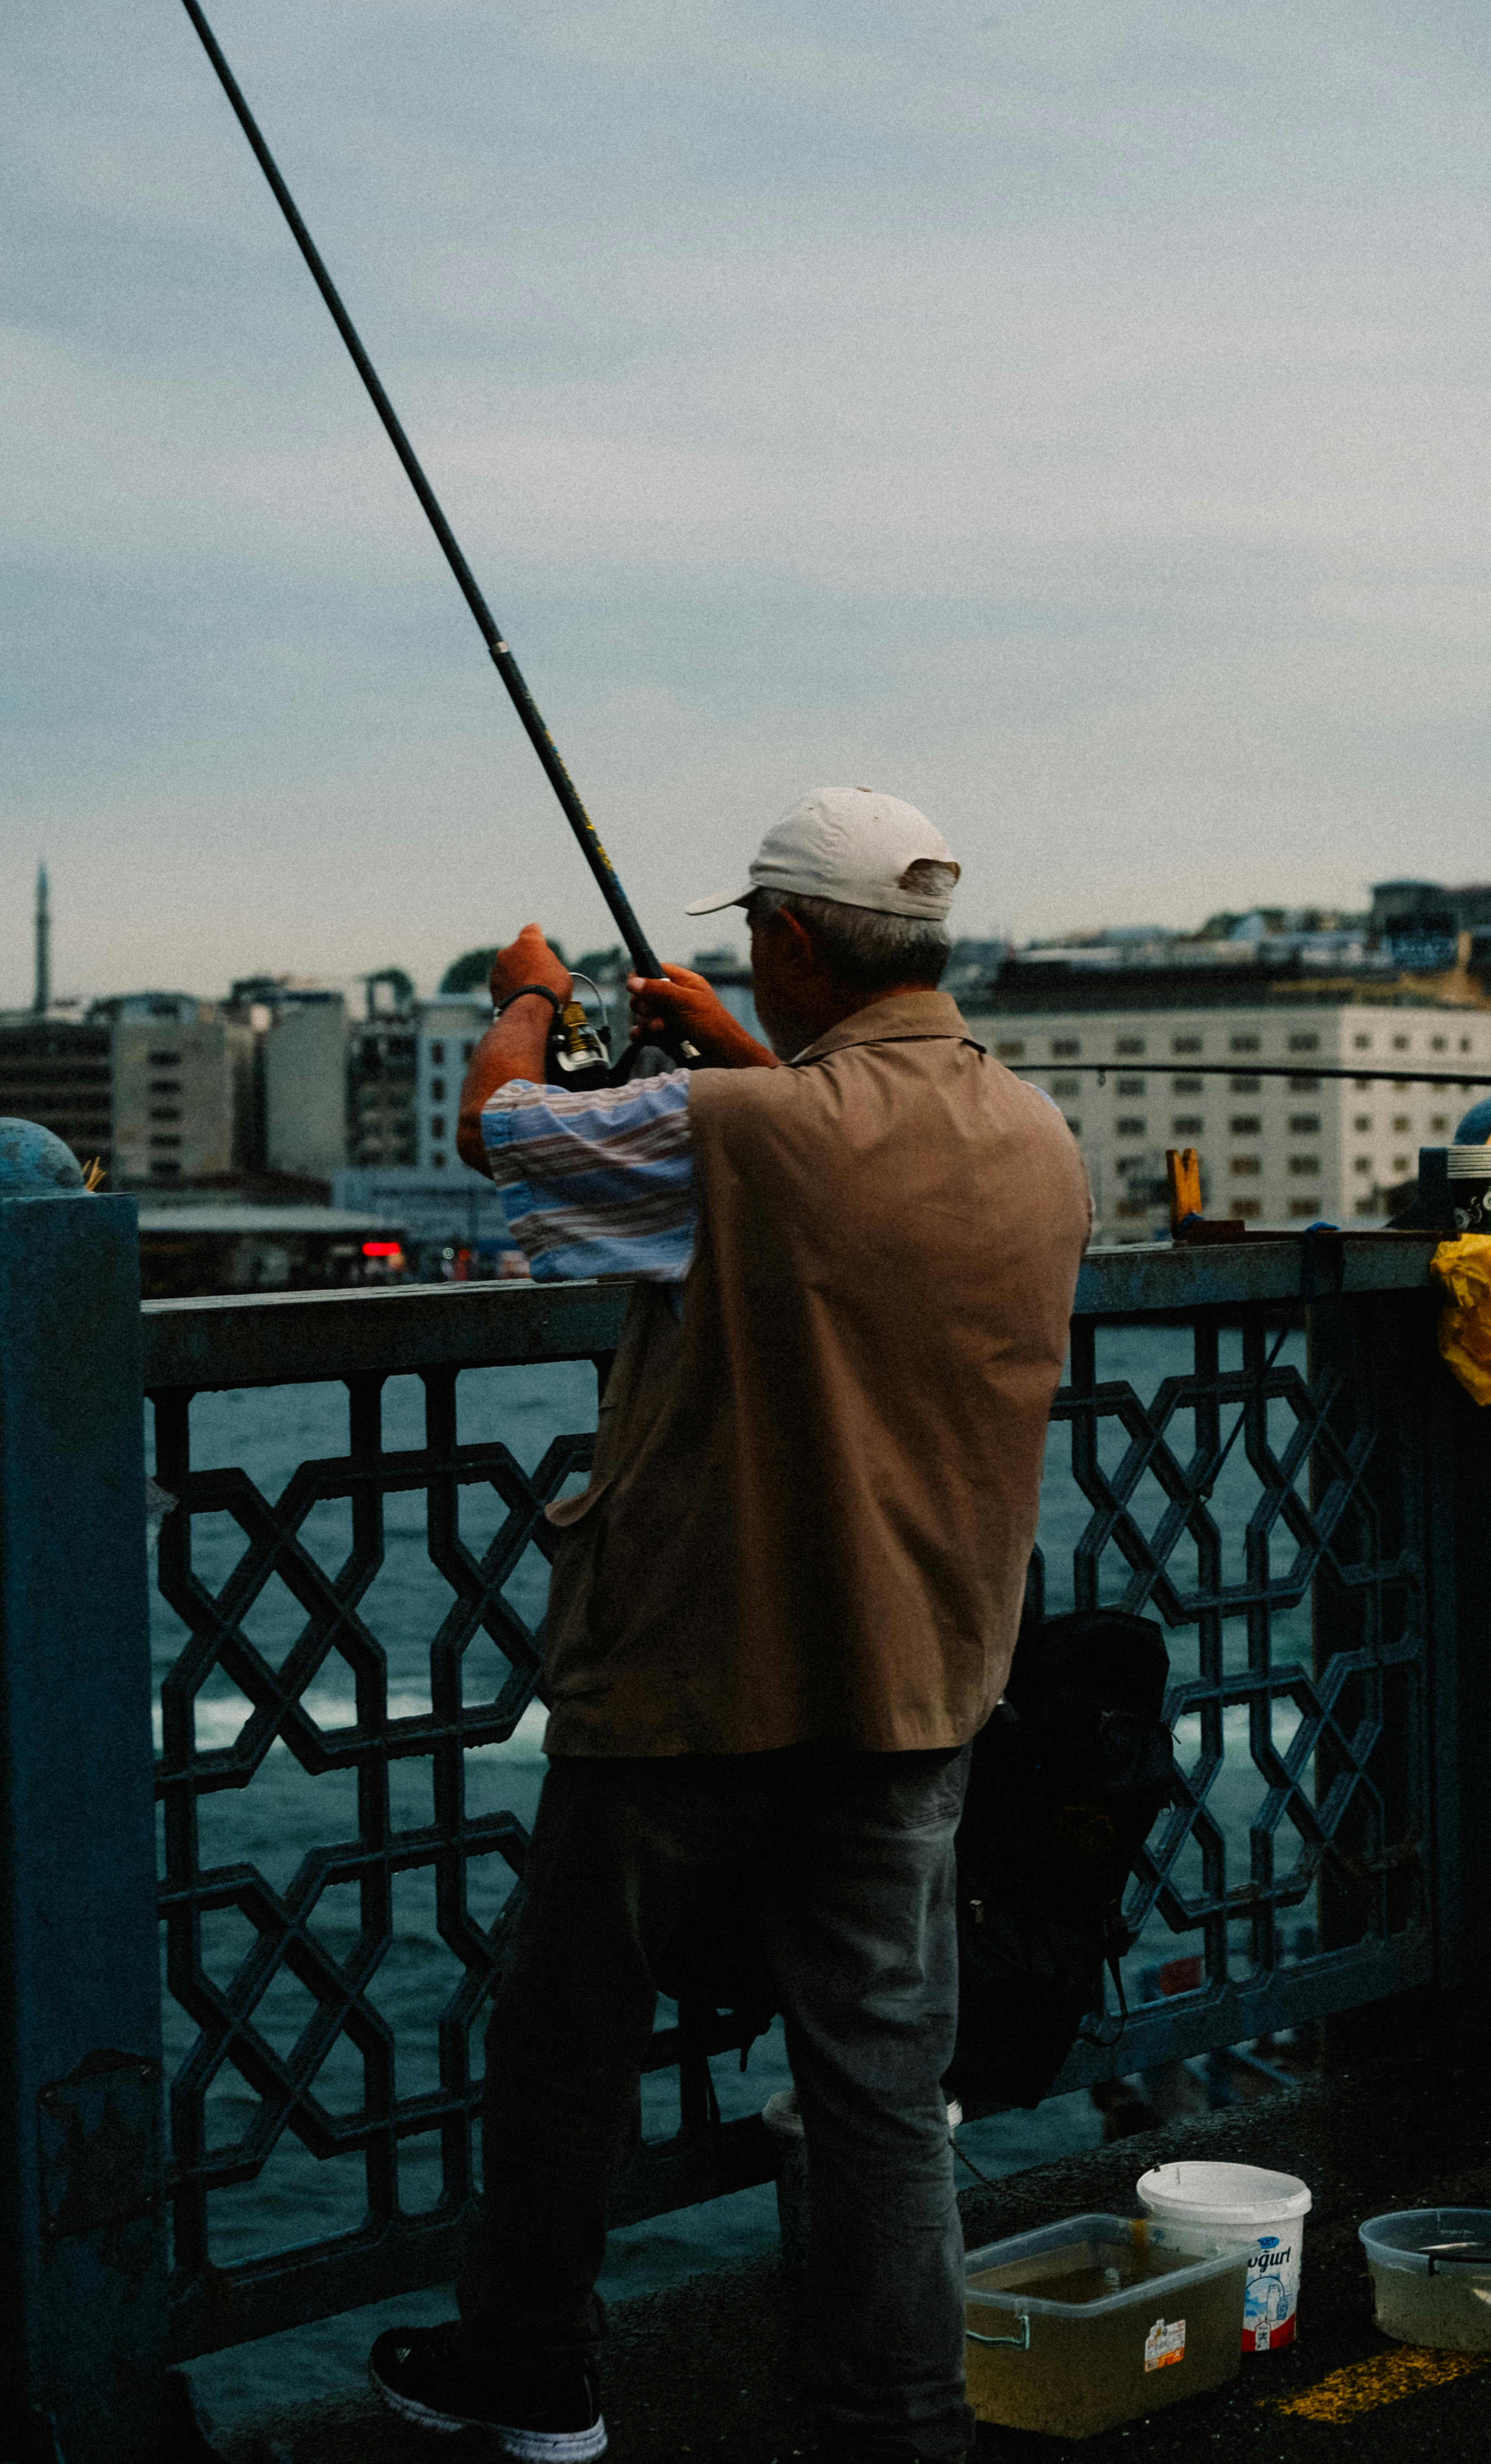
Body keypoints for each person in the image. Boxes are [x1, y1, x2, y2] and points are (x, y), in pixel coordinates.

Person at [369, 788, 1091, 2464]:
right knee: (881, 2089)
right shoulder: (1036, 1138)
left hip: (706, 1668)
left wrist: (529, 999)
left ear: (782, 942)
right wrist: (738, 1061)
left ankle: (531, 2367)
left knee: (568, 2031)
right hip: (919, 1679)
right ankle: (898, 2417)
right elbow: (856, 1171)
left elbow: (509, 1139)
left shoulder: (737, 1133)